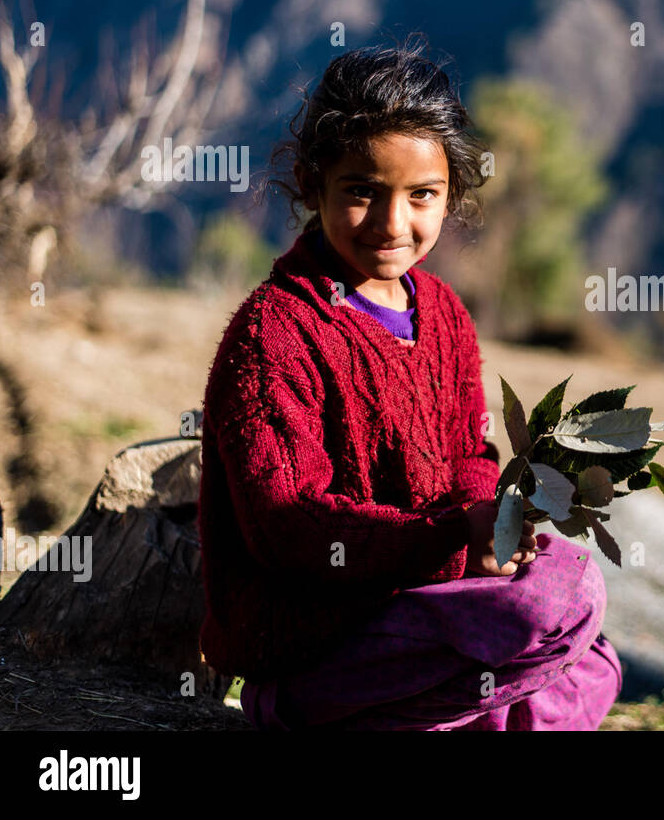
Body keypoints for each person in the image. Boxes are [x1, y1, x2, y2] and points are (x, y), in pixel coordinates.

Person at [196, 41, 622, 730]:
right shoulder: (273, 332)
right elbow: (288, 525)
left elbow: (468, 459)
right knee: (547, 617)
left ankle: (435, 712)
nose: (394, 224)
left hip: (426, 605)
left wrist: (502, 526)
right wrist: (451, 534)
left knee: (582, 620)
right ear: (311, 183)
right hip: (322, 643)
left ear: (451, 194)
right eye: (361, 191)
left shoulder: (445, 316)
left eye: (422, 195)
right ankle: (330, 708)